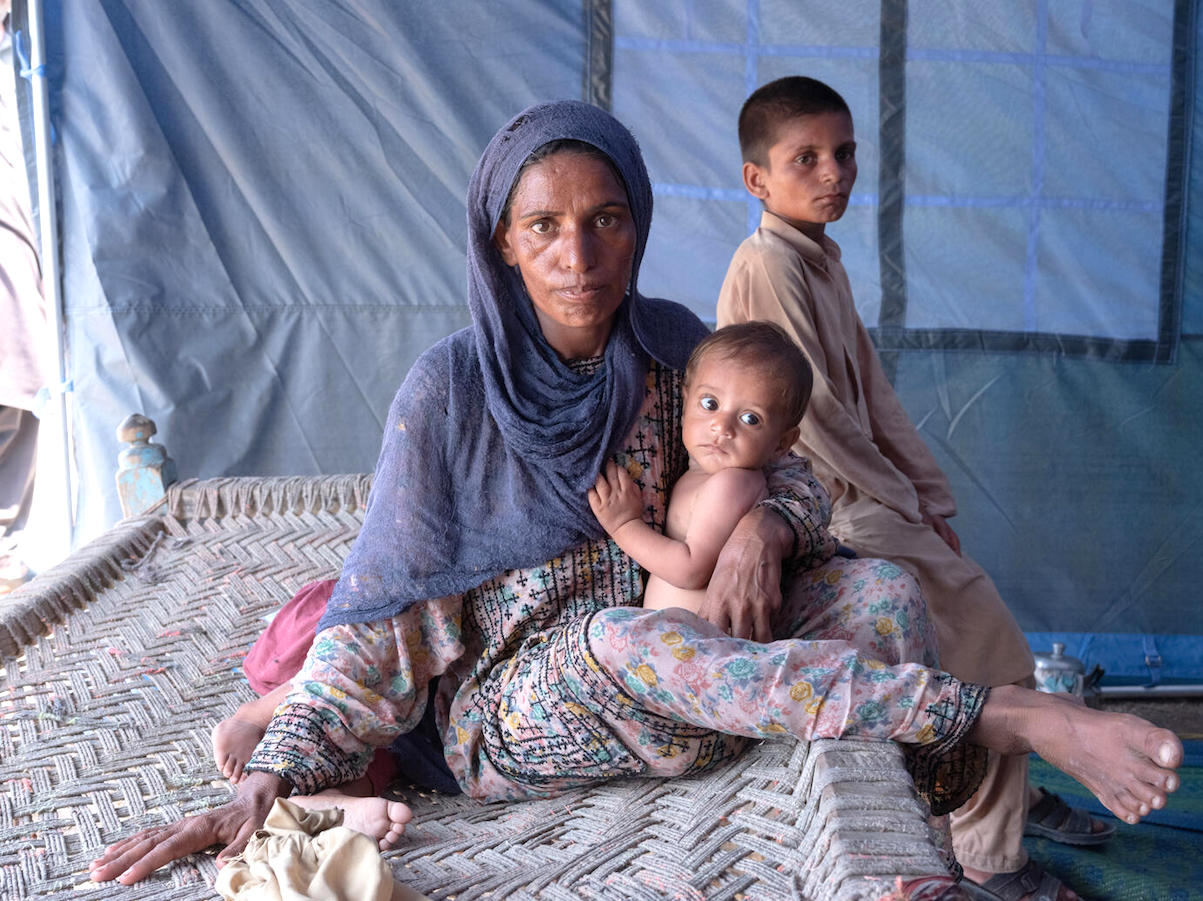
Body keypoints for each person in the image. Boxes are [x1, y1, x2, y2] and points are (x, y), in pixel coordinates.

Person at [91, 101, 1183, 892]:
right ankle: (999, 712)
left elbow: (792, 466)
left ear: (640, 220)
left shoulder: (671, 347)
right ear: (501, 243)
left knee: (888, 594)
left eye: (607, 218)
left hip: (707, 652)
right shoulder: (453, 394)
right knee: (625, 640)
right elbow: (376, 627)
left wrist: (764, 519)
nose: (580, 254)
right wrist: (266, 784)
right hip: (529, 711)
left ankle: (927, 852)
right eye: (544, 227)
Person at [716, 75, 1113, 901]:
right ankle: (989, 857)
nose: (834, 173)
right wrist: (899, 506)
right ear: (757, 179)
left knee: (969, 646)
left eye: (845, 152)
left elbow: (872, 390)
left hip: (876, 496)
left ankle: (1000, 802)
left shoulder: (817, 257)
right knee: (991, 648)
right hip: (826, 503)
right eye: (806, 159)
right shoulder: (765, 265)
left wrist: (931, 498)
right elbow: (818, 418)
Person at [589, 321, 810, 615]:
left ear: (782, 443)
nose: (722, 426)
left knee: (607, 628)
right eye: (710, 403)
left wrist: (624, 526)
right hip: (683, 640)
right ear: (685, 400)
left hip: (697, 642)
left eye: (750, 419)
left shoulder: (731, 483)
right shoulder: (705, 475)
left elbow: (690, 569)